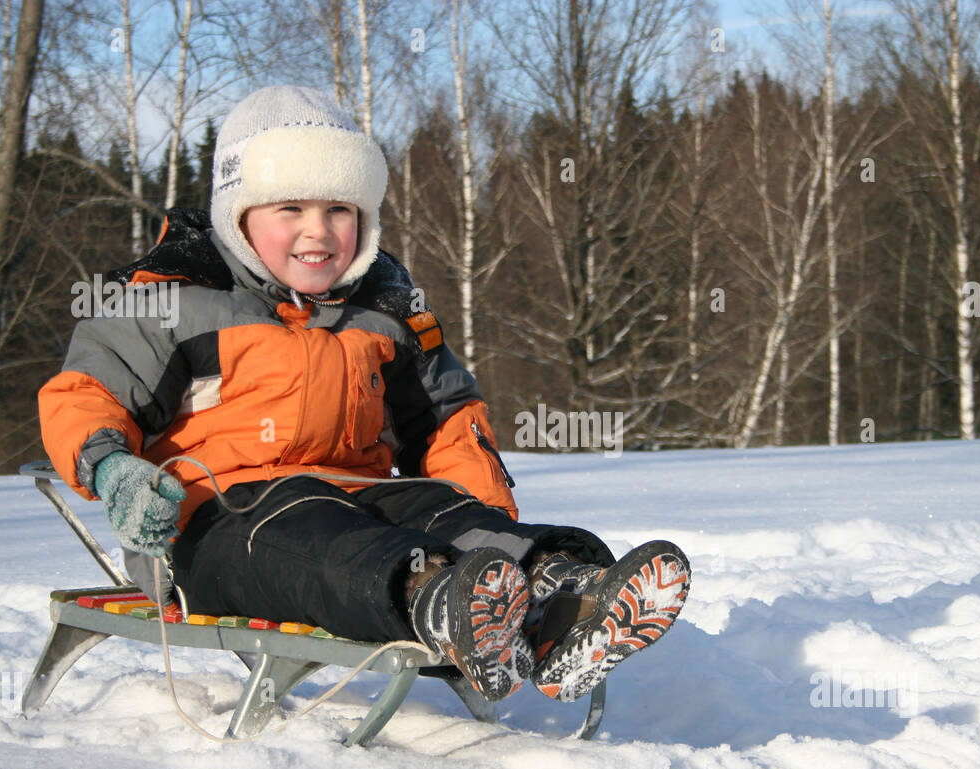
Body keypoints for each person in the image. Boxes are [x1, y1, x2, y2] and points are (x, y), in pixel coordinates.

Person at [39, 85, 690, 705]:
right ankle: (436, 598)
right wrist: (113, 470)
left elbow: (445, 423)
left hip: (358, 493)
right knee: (313, 532)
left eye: (339, 210)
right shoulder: (174, 297)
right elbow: (87, 395)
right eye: (290, 208)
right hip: (212, 520)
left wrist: (492, 525)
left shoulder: (384, 307)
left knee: (436, 507)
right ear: (237, 215)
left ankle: (560, 596)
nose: (317, 232)